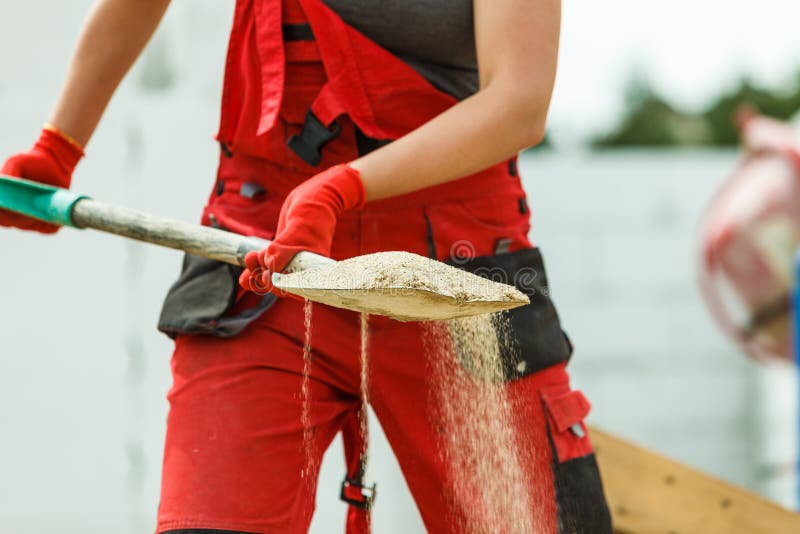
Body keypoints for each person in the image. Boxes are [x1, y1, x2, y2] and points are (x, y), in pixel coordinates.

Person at [0, 0, 612, 532]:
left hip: (457, 280)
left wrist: (343, 187)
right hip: (264, 264)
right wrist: (59, 146)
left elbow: (520, 101)